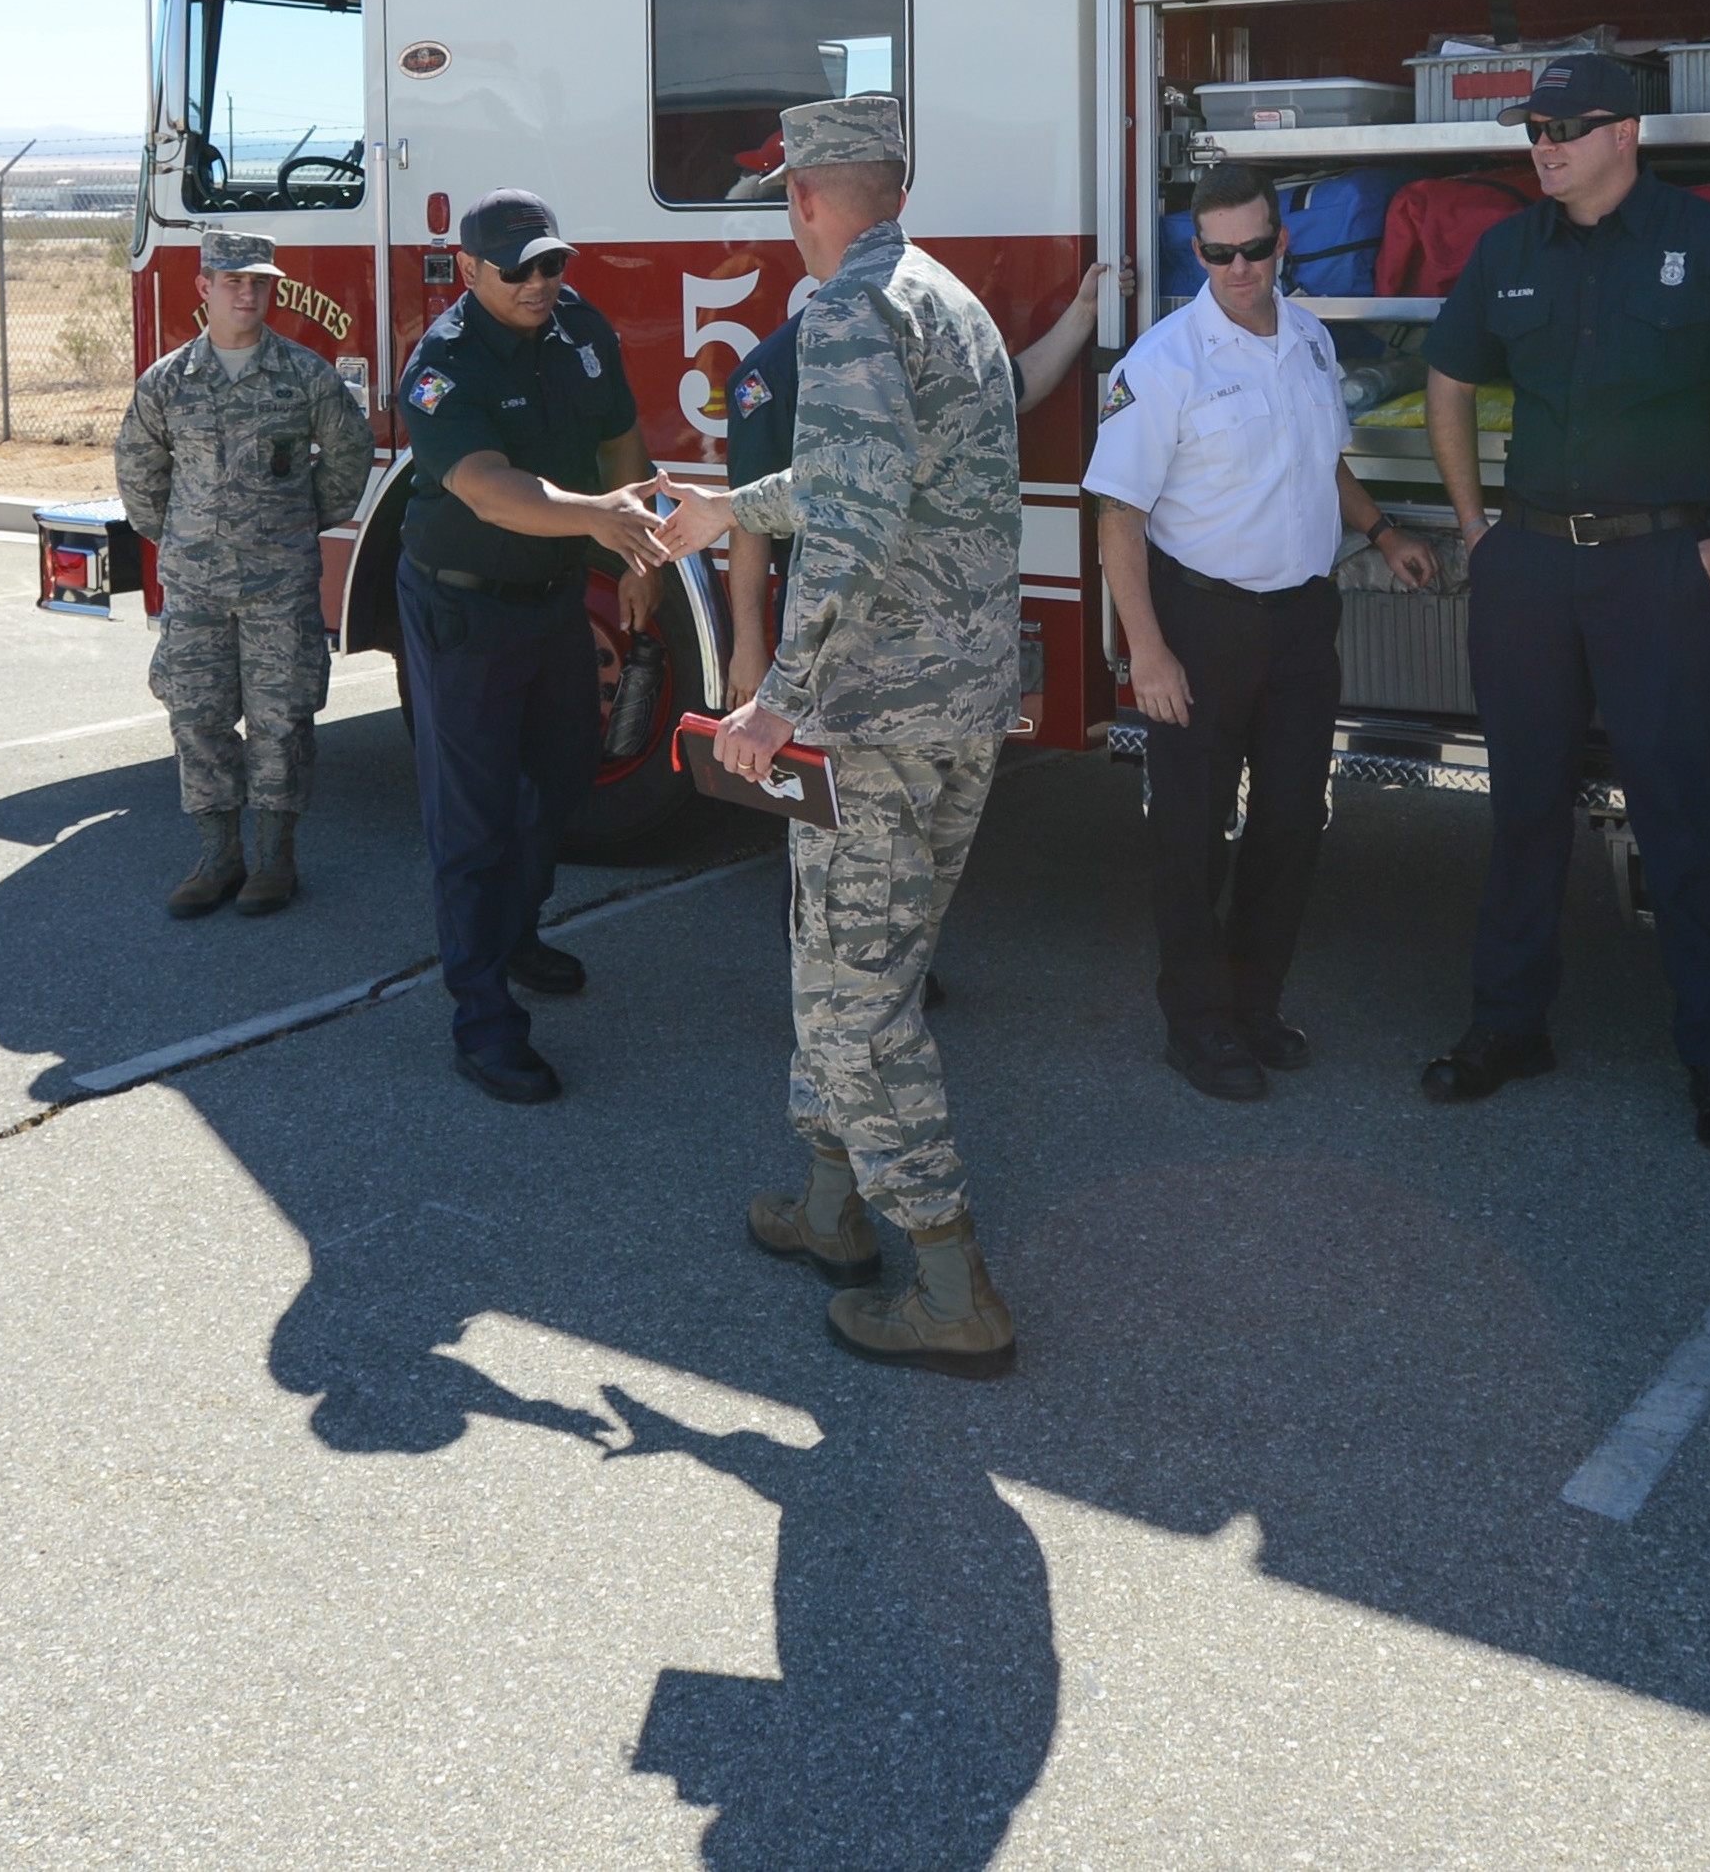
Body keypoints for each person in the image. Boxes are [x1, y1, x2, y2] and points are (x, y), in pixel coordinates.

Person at [658, 96, 1028, 1375]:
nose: (788, 219)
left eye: (787, 198)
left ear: (811, 197)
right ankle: (829, 1209)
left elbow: (856, 526)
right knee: (853, 960)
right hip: (960, 704)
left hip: (873, 717)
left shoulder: (847, 311)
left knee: (859, 1002)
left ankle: (946, 1284)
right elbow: (864, 475)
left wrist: (775, 701)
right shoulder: (941, 297)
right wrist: (728, 511)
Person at [1418, 51, 1710, 1154]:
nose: (1544, 145)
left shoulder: (1700, 244)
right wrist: (1474, 530)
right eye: (1532, 128)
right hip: (1530, 572)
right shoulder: (1509, 249)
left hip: (1658, 572)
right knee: (1524, 813)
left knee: (1680, 818)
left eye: (1567, 126)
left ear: (1625, 134)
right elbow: (1447, 379)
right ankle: (1509, 1027)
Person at [1089, 162, 1434, 1099]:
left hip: (1298, 624)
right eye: (1216, 252)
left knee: (1291, 824)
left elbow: (1322, 464)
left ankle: (1253, 1005)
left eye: (1253, 248)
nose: (1238, 268)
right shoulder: (1161, 364)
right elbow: (1116, 514)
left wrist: (1381, 529)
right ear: (1196, 251)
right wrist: (1147, 649)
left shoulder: (1313, 342)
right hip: (1200, 626)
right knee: (1193, 838)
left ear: (1281, 244)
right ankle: (1196, 1026)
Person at [394, 190, 662, 1098]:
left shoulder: (579, 327)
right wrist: (601, 517)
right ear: (468, 271)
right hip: (462, 611)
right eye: (520, 270)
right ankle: (483, 1019)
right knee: (469, 819)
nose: (543, 282)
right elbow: (487, 488)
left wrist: (637, 551)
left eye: (553, 263)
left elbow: (620, 434)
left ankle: (516, 935)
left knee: (563, 775)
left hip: (551, 600)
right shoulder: (441, 366)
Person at [113, 231, 367, 919]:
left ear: (272, 290)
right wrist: (183, 538)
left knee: (281, 719)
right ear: (204, 288)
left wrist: (291, 525)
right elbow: (139, 472)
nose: (245, 293)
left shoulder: (305, 375)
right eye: (230, 281)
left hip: (278, 585)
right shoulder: (168, 381)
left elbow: (348, 458)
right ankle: (218, 857)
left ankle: (275, 859)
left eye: (257, 282)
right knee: (196, 717)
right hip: (194, 588)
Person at [722, 261, 1103, 693]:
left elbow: (1016, 387)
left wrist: (1084, 312)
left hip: (933, 632)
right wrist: (749, 646)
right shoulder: (773, 373)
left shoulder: (920, 350)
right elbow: (747, 519)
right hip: (831, 639)